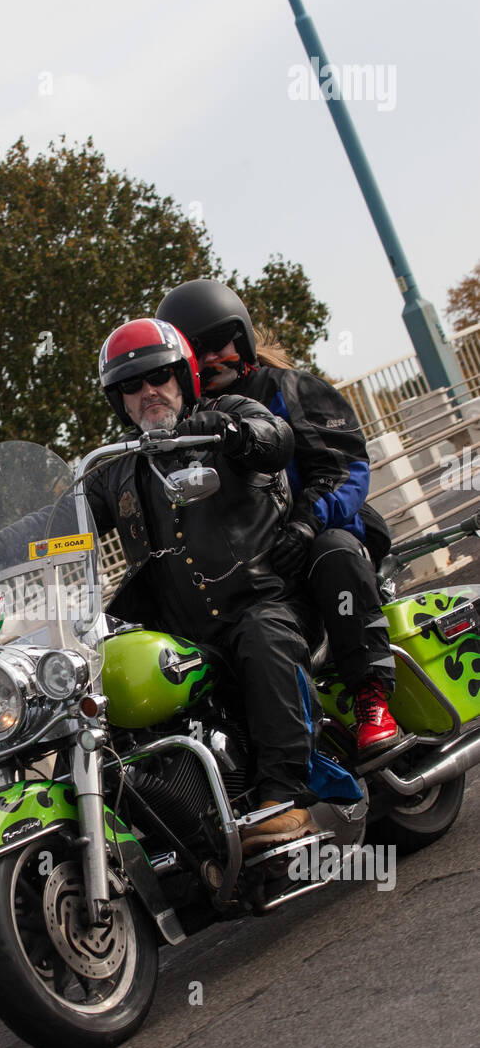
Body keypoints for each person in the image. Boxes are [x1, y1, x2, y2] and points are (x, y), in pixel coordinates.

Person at [89, 316, 356, 853]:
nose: (147, 392)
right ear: (118, 399)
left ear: (183, 376)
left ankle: (285, 798)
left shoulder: (227, 415)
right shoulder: (115, 468)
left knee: (262, 637)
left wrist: (235, 436)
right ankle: (171, 831)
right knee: (102, 688)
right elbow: (50, 527)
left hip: (266, 600)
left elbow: (274, 440)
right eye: (130, 386)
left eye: (158, 376)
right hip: (184, 635)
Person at [155, 279, 401, 758]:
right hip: (255, 568)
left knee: (331, 550)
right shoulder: (188, 423)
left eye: (218, 345)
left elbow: (346, 468)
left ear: (242, 339)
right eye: (195, 350)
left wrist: (307, 523)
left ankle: (371, 696)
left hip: (316, 544)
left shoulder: (288, 389)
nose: (208, 360)